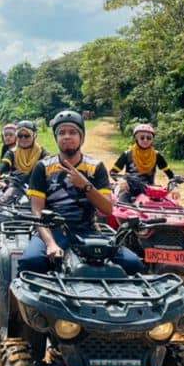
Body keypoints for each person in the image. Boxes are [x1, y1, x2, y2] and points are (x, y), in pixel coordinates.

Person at [18, 110, 144, 274]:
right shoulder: (42, 168)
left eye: (72, 132)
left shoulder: (95, 167)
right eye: (61, 133)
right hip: (52, 230)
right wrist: (50, 244)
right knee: (31, 262)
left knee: (133, 264)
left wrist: (85, 185)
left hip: (88, 231)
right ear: (56, 138)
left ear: (82, 137)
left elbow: (106, 209)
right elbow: (37, 212)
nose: (67, 136)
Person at [110, 123, 176, 197]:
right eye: (142, 137)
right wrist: (121, 181)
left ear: (152, 140)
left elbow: (170, 175)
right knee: (123, 197)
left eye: (149, 138)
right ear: (136, 139)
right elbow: (113, 172)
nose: (145, 140)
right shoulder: (127, 154)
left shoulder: (157, 155)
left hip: (149, 189)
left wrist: (174, 184)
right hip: (129, 188)